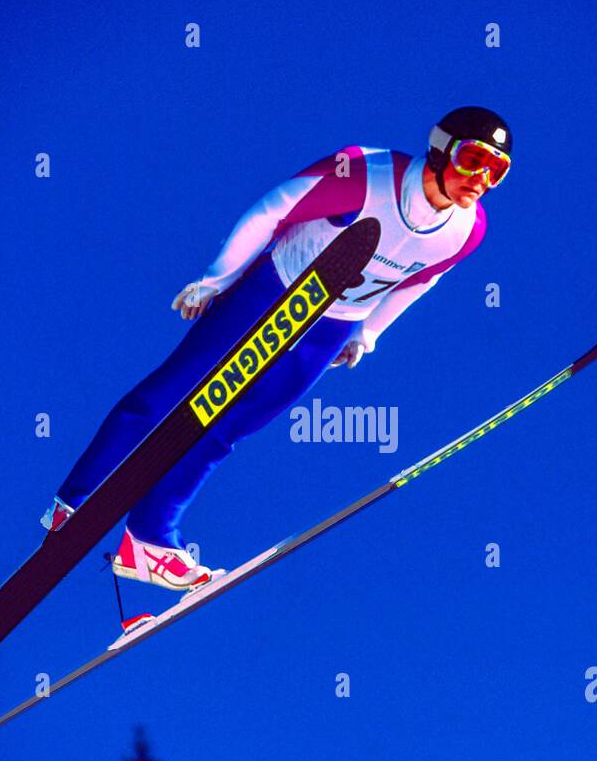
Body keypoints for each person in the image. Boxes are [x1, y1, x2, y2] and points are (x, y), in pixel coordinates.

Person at [41, 106, 514, 592]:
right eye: (473, 159)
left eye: (496, 171)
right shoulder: (364, 174)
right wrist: (217, 278)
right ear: (440, 149)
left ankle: (147, 541)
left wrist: (368, 332)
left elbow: (421, 278)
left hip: (332, 324)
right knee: (173, 392)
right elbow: (275, 208)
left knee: (227, 428)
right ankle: (76, 501)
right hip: (275, 287)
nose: (480, 178)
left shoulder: (467, 230)